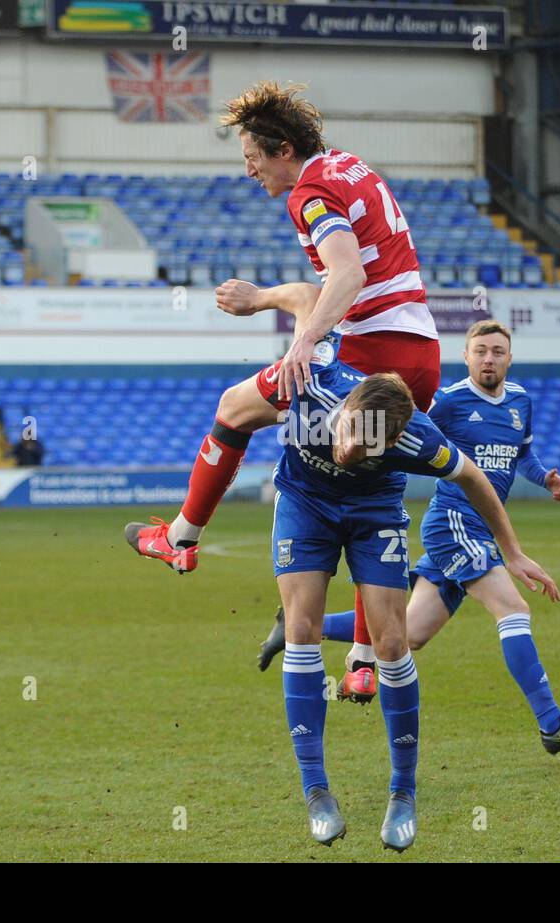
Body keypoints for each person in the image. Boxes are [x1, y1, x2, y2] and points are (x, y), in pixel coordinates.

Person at [126, 80, 441, 695]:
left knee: (234, 410)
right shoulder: (350, 168)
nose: (249, 172)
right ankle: (361, 663)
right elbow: (326, 288)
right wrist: (266, 299)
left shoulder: (310, 192)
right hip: (421, 359)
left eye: (252, 158)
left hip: (367, 355)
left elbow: (345, 274)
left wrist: (303, 345)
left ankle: (181, 539)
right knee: (368, 475)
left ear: (283, 149)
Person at [257, 319, 560, 757]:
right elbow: (401, 431)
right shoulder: (448, 402)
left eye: (498, 351)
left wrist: (545, 479)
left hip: (477, 529)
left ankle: (293, 630)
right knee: (514, 608)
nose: (489, 358)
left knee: (407, 634)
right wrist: (512, 553)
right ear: (466, 356)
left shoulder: (520, 401)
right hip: (456, 525)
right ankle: (552, 723)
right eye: (480, 350)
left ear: (509, 357)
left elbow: (522, 454)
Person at [267, 331, 555, 850]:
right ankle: (315, 790)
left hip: (374, 513)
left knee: (395, 644)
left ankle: (403, 790)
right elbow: (303, 304)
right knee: (301, 630)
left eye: (368, 444)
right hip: (304, 502)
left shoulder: (419, 437)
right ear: (349, 405)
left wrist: (512, 551)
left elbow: (476, 481)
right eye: (352, 432)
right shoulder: (313, 381)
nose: (351, 447)